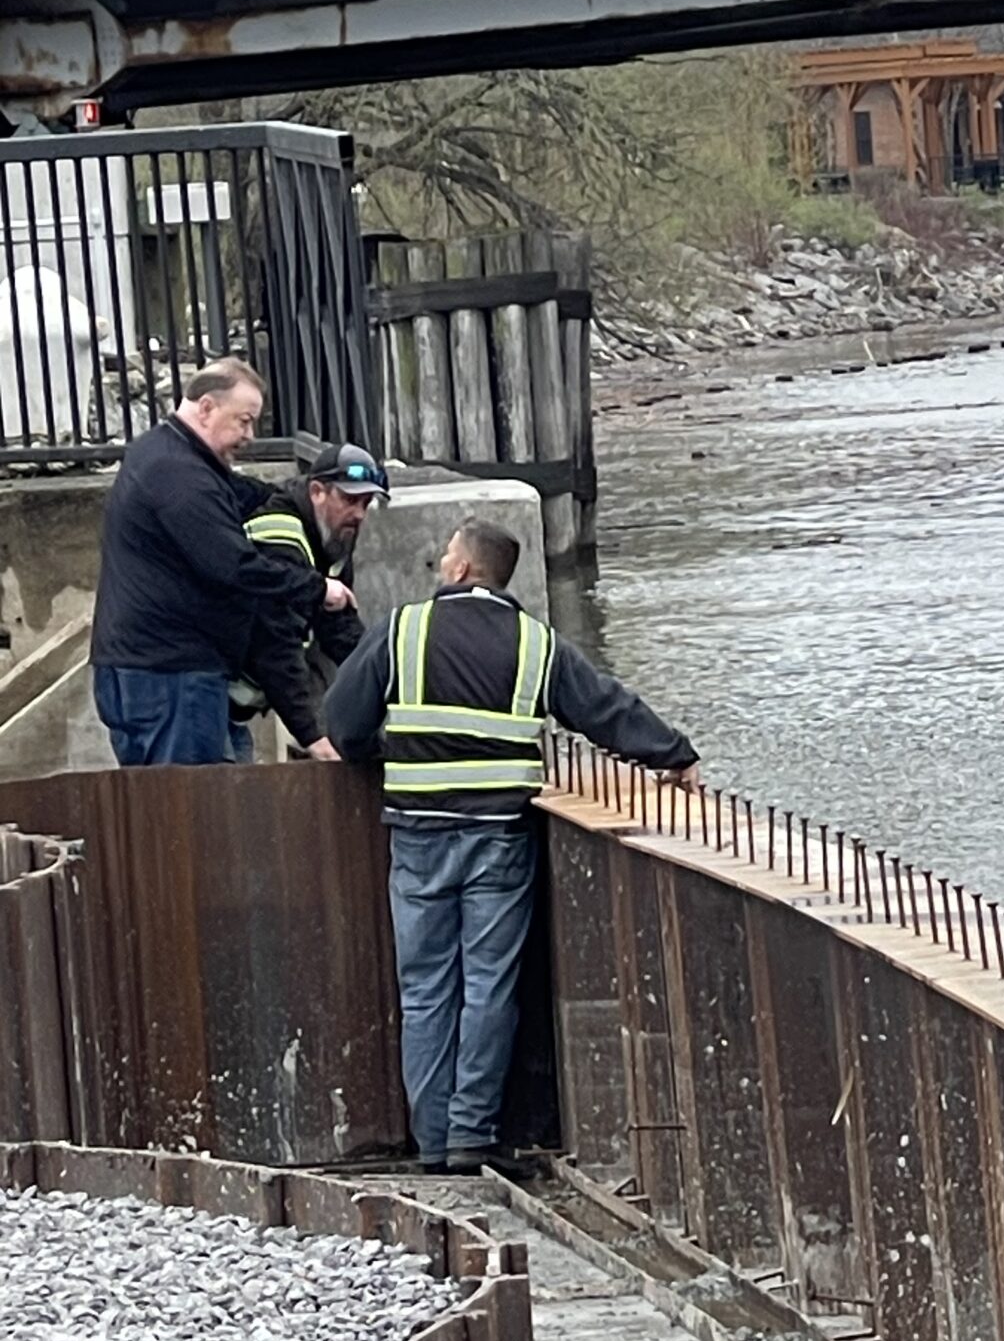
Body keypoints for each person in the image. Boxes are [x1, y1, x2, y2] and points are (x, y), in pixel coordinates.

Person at [326, 516, 700, 1175]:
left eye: (447, 556)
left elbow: (344, 723)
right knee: (489, 986)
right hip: (499, 836)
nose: (442, 564)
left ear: (465, 568)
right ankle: (472, 1135)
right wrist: (672, 752)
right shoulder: (536, 644)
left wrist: (378, 751)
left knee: (425, 989)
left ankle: (433, 1139)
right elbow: (602, 707)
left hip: (417, 833)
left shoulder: (402, 632)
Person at [90, 357, 317, 767]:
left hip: (137, 665)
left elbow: (235, 492)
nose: (249, 435)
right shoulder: (181, 475)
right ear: (208, 407)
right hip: (172, 672)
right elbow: (234, 566)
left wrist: (294, 498)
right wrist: (318, 589)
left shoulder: (162, 452)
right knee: (189, 810)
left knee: (159, 807)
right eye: (244, 421)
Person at [229, 445, 388, 762]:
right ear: (317, 492)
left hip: (232, 704)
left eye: (366, 503)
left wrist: (386, 677)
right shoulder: (279, 532)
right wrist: (311, 735)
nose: (359, 513)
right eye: (349, 499)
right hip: (205, 693)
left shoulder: (333, 536)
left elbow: (340, 626)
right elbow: (274, 641)